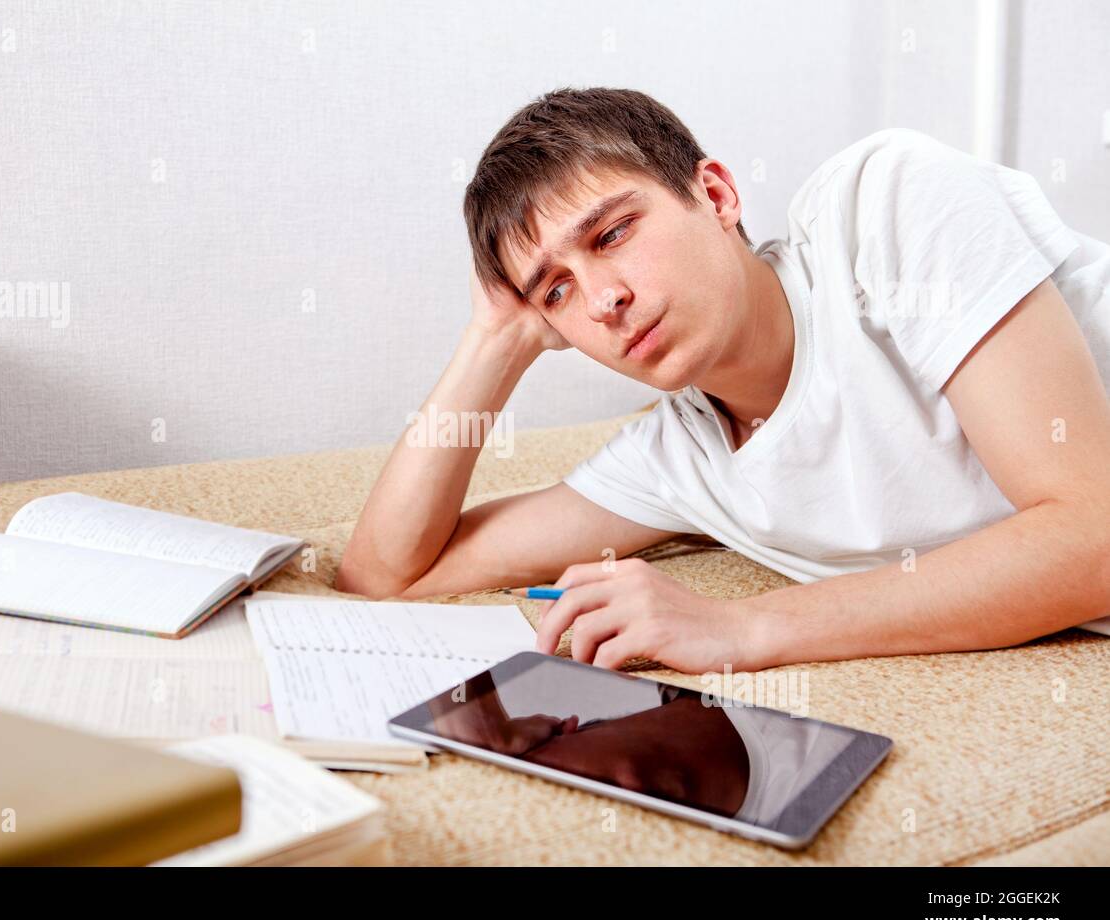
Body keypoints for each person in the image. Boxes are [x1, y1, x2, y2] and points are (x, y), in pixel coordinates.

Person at [335, 87, 1110, 673]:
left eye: (613, 233)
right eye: (557, 291)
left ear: (715, 195)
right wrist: (495, 340)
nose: (604, 301)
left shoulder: (885, 207)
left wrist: (744, 627)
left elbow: (1095, 539)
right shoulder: (679, 460)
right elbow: (385, 573)